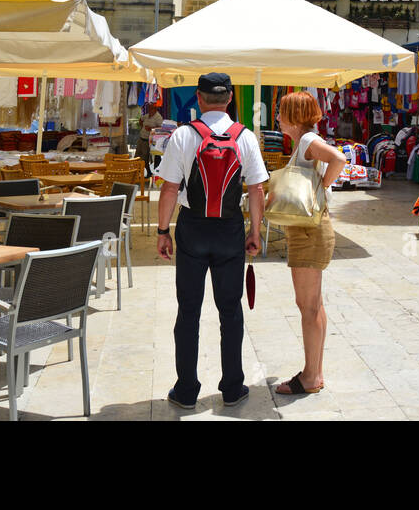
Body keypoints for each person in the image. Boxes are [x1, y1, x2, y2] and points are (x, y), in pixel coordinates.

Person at [154, 73, 267, 410]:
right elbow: (257, 189)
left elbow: (170, 188)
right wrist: (255, 232)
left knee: (188, 310)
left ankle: (186, 390)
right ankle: (232, 387)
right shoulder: (245, 137)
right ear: (229, 98)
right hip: (230, 228)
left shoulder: (183, 135)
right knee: (230, 311)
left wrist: (163, 231)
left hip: (192, 229)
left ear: (199, 99)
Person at [272, 91, 346, 397]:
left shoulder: (307, 141)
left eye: (281, 112)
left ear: (293, 116)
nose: (277, 116)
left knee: (308, 306)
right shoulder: (304, 143)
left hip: (308, 232)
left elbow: (339, 159)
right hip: (308, 231)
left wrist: (321, 187)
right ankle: (314, 371)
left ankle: (310, 375)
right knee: (312, 304)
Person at [136, 102, 164, 175]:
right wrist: (141, 125)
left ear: (155, 109)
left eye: (151, 108)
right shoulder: (147, 115)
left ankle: (146, 174)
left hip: (148, 140)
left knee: (145, 159)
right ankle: (138, 173)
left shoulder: (158, 117)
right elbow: (141, 119)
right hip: (141, 138)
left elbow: (161, 128)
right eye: (148, 108)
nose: (149, 110)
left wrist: (151, 128)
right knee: (137, 156)